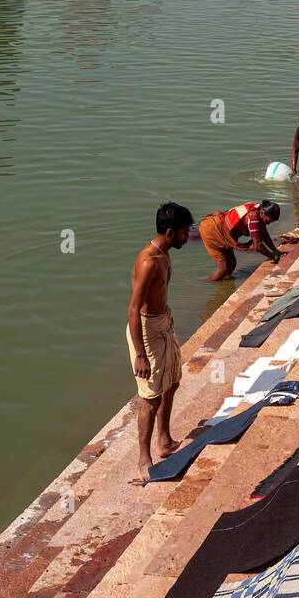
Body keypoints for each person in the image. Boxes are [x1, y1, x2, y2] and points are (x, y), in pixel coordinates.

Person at [126, 201, 194, 483]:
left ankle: (164, 441)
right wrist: (140, 354)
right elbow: (133, 309)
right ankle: (144, 458)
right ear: (170, 232)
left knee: (173, 380)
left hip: (163, 322)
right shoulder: (148, 261)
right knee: (150, 398)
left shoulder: (165, 254)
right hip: (146, 330)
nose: (187, 237)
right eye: (184, 232)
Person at [198, 200, 282, 281]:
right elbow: (258, 246)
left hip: (223, 230)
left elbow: (264, 234)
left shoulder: (257, 210)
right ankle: (205, 283)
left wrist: (275, 251)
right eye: (268, 221)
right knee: (223, 268)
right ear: (263, 212)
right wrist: (272, 257)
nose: (268, 223)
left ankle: (224, 287)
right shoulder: (253, 217)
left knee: (231, 264)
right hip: (212, 230)